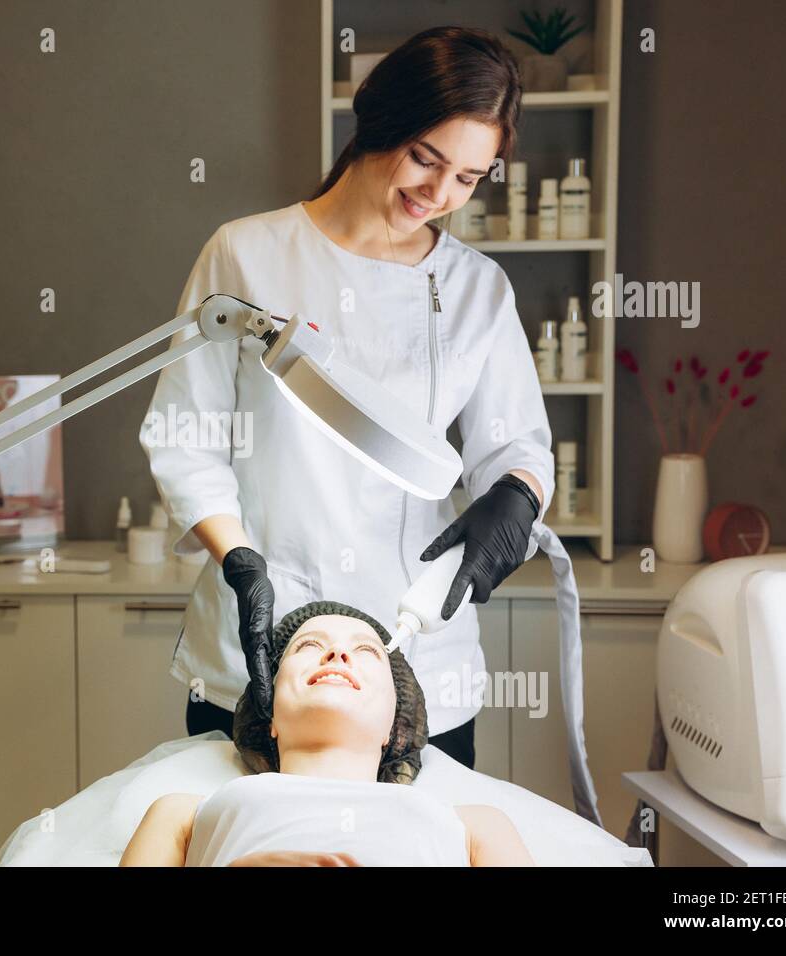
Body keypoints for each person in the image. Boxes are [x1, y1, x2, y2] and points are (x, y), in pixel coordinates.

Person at [138, 26, 553, 767]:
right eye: (426, 158)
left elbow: (516, 444)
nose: (439, 194)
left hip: (415, 659)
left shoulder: (477, 289)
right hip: (263, 656)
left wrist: (517, 497)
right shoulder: (247, 254)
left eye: (468, 177)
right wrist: (241, 563)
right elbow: (184, 437)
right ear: (377, 119)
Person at [119, 604, 534, 866]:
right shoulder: (180, 813)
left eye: (367, 652)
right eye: (307, 647)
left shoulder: (475, 824)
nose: (337, 654)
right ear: (270, 717)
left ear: (397, 723)